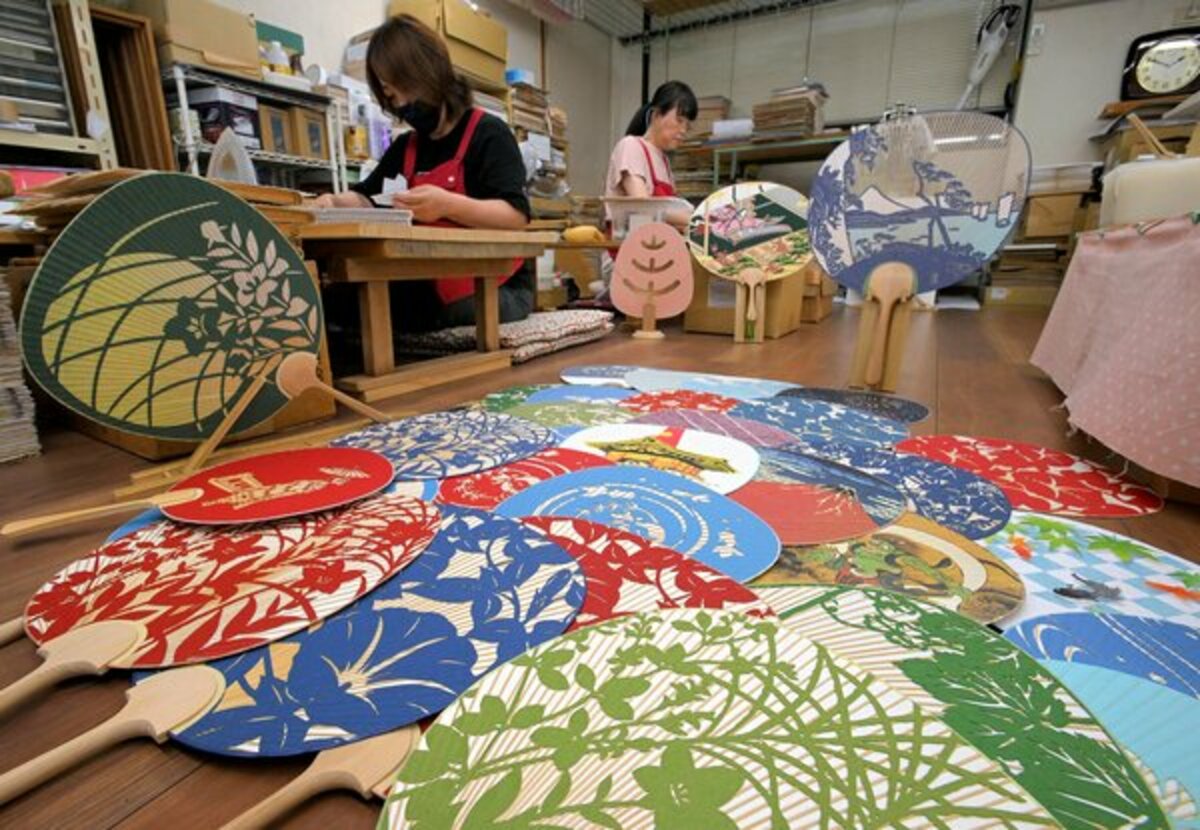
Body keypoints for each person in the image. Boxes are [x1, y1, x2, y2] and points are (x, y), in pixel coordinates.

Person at [313, 15, 533, 332]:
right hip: (430, 277)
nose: (400, 102)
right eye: (389, 95)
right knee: (340, 302)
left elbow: (516, 216)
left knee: (398, 313)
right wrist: (333, 203)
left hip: (498, 284)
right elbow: (368, 196)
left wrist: (447, 204)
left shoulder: (488, 133)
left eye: (403, 89)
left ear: (429, 73)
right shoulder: (407, 147)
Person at [604, 81, 697, 228]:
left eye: (688, 125)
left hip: (656, 246)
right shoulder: (631, 146)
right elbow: (643, 206)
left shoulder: (664, 161)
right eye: (679, 121)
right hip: (627, 247)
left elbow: (667, 216)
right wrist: (695, 220)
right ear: (656, 115)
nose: (683, 130)